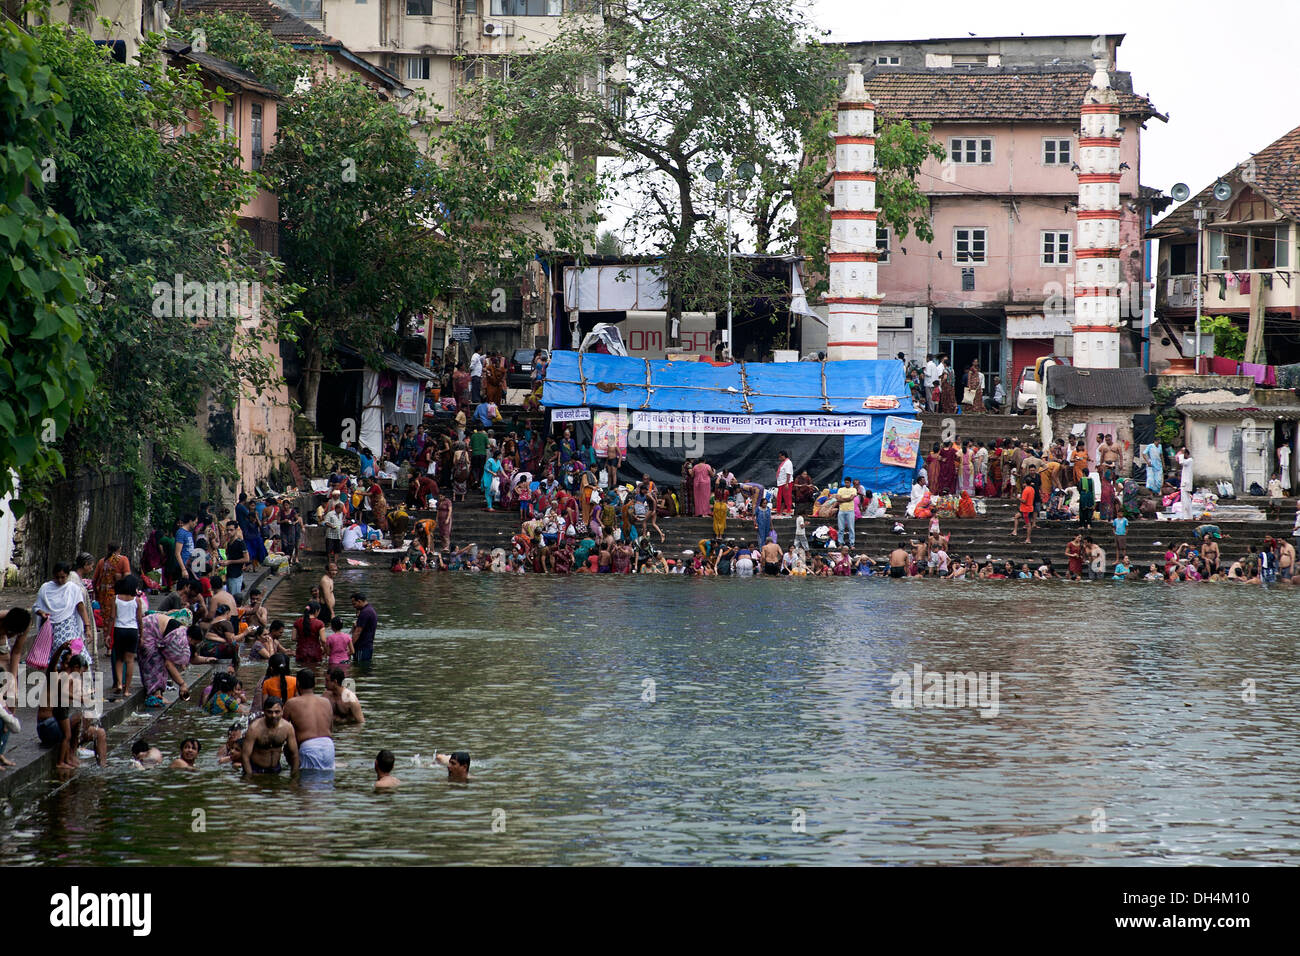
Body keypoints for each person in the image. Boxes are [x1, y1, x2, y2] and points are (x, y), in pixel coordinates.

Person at [34, 562, 93, 671]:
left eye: (63, 577)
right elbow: (37, 607)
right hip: (51, 630)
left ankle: (82, 684)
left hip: (69, 629)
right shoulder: (46, 588)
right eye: (57, 577)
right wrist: (41, 613)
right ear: (53, 575)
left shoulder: (73, 589)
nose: (60, 580)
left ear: (67, 576)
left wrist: (87, 627)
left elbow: (81, 607)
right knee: (56, 661)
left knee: (76, 656)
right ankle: (58, 684)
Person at [283, 669, 335, 771]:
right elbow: (331, 728)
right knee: (326, 783)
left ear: (297, 683)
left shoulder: (291, 703)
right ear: (314, 683)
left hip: (309, 747)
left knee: (307, 783)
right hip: (329, 746)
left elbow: (281, 729)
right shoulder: (326, 702)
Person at [242, 696, 299, 775]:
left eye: (277, 712)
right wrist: (249, 777)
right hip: (256, 770)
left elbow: (294, 754)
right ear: (264, 711)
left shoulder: (287, 728)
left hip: (276, 769)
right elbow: (245, 756)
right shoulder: (254, 729)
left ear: (282, 711)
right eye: (270, 712)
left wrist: (294, 777)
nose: (273, 716)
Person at [294, 601, 325, 667]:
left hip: (301, 652)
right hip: (315, 653)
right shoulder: (319, 623)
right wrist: (326, 650)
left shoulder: (297, 622)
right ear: (317, 611)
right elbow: (323, 640)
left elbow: (293, 638)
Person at [351, 592, 378, 664]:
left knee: (359, 668)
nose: (354, 606)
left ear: (359, 601)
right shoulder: (370, 610)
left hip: (362, 647)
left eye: (354, 604)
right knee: (365, 669)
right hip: (367, 646)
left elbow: (357, 632)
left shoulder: (365, 612)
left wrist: (349, 647)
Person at [836, 477, 857, 548]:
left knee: (851, 528)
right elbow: (838, 499)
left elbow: (851, 498)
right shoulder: (840, 489)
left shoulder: (853, 489)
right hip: (841, 510)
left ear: (850, 483)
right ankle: (840, 543)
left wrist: (842, 499)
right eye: (845, 482)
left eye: (848, 482)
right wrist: (847, 499)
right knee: (841, 528)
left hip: (850, 510)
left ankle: (852, 544)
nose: (846, 484)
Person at [1176, 447, 1195, 518]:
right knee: (1184, 501)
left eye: (1184, 454)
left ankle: (1187, 516)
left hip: (1186, 484)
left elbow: (1181, 462)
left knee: (1186, 501)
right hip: (1184, 484)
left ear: (1187, 454)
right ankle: (1187, 516)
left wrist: (1181, 454)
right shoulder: (1187, 461)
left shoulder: (1190, 460)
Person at [775, 452, 794, 516]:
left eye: (780, 456)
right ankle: (778, 512)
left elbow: (788, 473)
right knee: (779, 498)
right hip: (781, 483)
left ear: (784, 456)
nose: (779, 458)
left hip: (786, 483)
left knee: (787, 497)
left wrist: (786, 483)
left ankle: (788, 511)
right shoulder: (784, 463)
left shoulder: (788, 463)